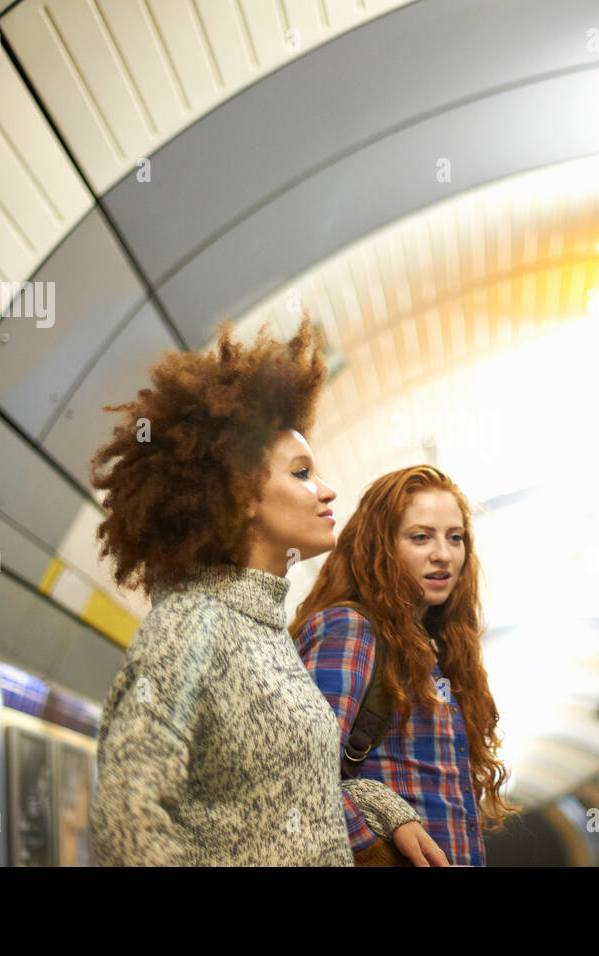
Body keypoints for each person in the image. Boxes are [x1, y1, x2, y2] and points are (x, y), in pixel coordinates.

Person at [86, 313, 427, 865]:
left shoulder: (267, 634)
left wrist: (385, 807)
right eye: (302, 473)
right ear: (242, 495)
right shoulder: (192, 626)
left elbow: (282, 796)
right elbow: (127, 819)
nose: (327, 490)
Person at [290, 465, 519, 867]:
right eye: (420, 537)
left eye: (455, 538)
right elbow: (299, 775)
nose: (443, 554)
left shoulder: (436, 654)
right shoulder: (351, 629)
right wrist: (374, 851)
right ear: (380, 546)